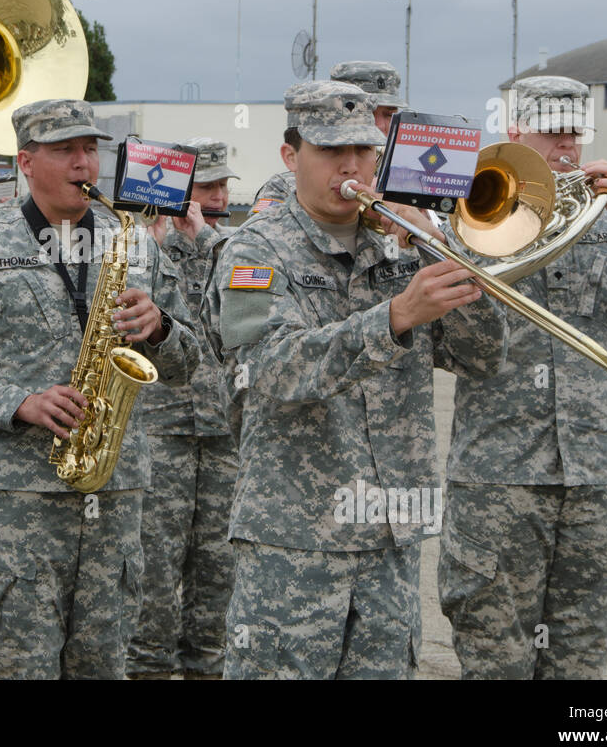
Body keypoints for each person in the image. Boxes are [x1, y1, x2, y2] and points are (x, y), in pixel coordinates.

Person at [201, 80, 507, 679]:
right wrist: (393, 318)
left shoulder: (403, 244)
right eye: (330, 151)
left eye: (365, 152)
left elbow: (484, 355)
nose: (351, 166)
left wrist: (441, 248)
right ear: (291, 157)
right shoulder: (254, 251)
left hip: (389, 535)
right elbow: (266, 368)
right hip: (294, 539)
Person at [438, 75, 607, 679]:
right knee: (494, 653)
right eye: (550, 131)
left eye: (574, 132)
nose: (566, 146)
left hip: (595, 472)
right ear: (514, 134)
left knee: (581, 656)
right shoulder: (468, 212)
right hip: (499, 472)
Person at [0, 98, 201, 680]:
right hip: (20, 500)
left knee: (103, 666)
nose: (85, 165)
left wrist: (162, 328)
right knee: (24, 667)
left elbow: (190, 362)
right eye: (65, 151)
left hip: (117, 494)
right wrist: (18, 402)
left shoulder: (137, 244)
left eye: (90, 150)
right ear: (26, 161)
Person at [129, 137, 240, 679]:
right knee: (152, 581)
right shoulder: (138, 245)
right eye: (207, 186)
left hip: (223, 433)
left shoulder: (230, 246)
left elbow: (241, 312)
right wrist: (151, 246)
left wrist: (208, 242)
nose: (217, 196)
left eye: (223, 186)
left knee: (218, 580)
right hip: (159, 432)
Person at [252, 60, 407, 214]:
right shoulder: (284, 186)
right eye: (368, 114)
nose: (379, 125)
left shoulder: (404, 182)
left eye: (388, 115)